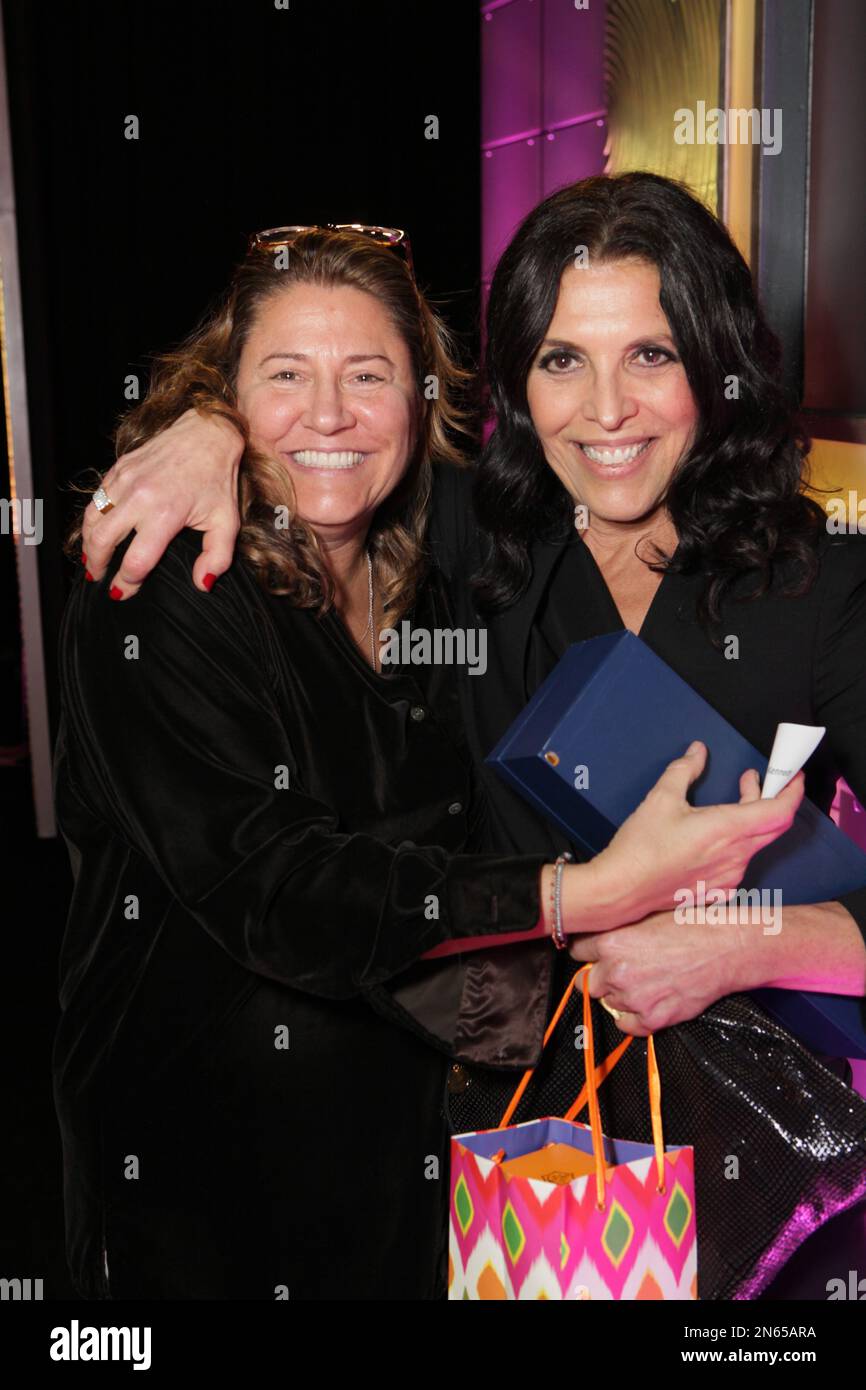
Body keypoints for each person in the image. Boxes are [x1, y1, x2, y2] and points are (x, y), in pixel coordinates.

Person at [76, 174, 866, 1296]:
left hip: (742, 1156)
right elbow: (331, 435)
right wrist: (203, 430)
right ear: (513, 383)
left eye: (649, 354)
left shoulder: (820, 589)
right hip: (495, 1145)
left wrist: (746, 943)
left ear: (715, 360)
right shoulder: (477, 541)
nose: (605, 411)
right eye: (559, 360)